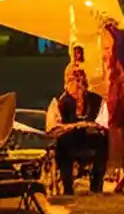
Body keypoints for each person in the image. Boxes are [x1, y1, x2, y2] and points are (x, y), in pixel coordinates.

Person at [45, 48, 110, 195]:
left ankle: (96, 186)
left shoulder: (97, 101)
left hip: (90, 139)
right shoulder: (60, 103)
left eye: (81, 78)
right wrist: (74, 126)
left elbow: (104, 124)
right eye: (73, 79)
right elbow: (53, 128)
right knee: (63, 141)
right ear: (66, 84)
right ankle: (68, 188)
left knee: (103, 140)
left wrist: (92, 126)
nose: (78, 83)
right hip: (70, 142)